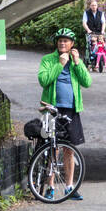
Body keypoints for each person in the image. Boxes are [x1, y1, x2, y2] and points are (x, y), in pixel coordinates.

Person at [37, 27, 92, 200]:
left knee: (69, 150)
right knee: (53, 148)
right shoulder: (48, 60)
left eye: (66, 41)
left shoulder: (76, 60)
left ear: (72, 44)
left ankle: (69, 187)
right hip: (52, 108)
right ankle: (50, 186)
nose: (62, 43)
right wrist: (59, 64)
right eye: (60, 40)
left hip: (71, 109)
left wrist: (77, 63)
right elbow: (43, 80)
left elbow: (87, 82)